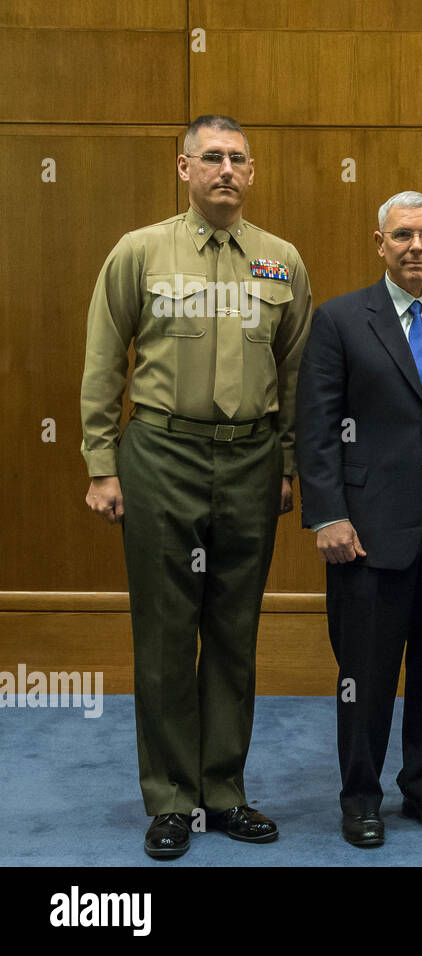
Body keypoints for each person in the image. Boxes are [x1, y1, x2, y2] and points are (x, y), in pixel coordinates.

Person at [80, 114, 311, 859]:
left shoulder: (281, 261)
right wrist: (100, 463)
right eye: (209, 157)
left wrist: (286, 464)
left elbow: (298, 374)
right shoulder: (140, 252)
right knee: (166, 635)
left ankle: (225, 791)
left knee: (236, 632)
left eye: (237, 158)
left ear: (253, 170)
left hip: (248, 462)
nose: (225, 170)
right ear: (183, 168)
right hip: (161, 456)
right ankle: (173, 799)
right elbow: (103, 359)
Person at [296, 191, 422, 848]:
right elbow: (316, 429)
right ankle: (360, 798)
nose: (416, 247)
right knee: (365, 677)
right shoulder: (342, 320)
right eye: (402, 235)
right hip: (365, 536)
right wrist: (327, 515)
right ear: (379, 242)